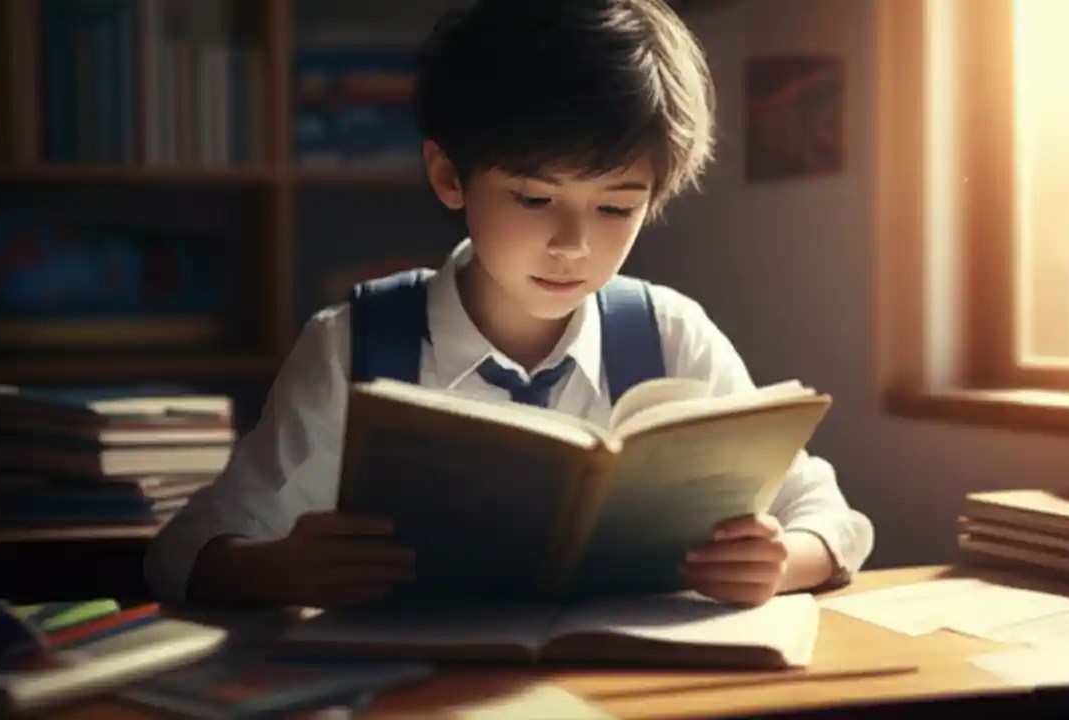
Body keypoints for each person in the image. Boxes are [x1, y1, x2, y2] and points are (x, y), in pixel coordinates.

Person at [145, 0, 873, 608]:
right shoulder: (352, 346)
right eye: (534, 199)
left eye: (616, 208)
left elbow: (830, 516)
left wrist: (783, 561)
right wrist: (274, 570)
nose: (572, 246)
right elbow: (183, 549)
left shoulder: (671, 336)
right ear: (449, 176)